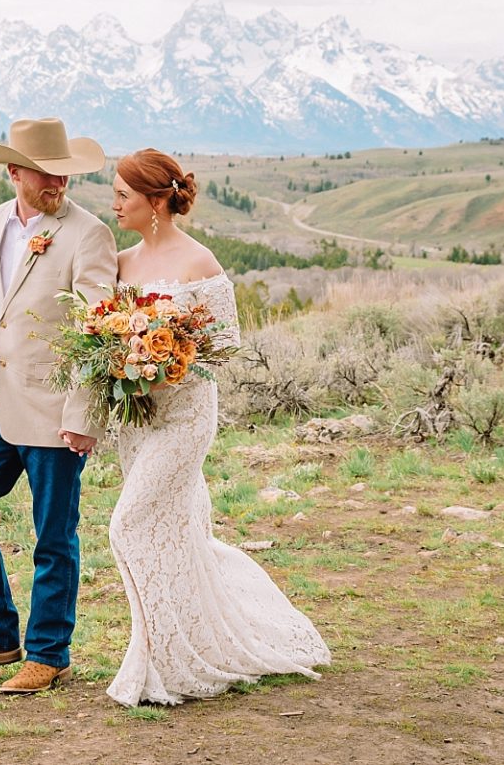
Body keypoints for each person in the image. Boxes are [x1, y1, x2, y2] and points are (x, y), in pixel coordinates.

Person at [105, 148, 330, 706]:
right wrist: (122, 361)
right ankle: (177, 646)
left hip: (184, 417)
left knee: (127, 526)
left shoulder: (200, 264)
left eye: (123, 195)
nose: (114, 203)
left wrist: (168, 363)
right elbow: (104, 334)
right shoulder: (120, 264)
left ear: (157, 202)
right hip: (139, 420)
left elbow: (224, 346)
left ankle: (164, 660)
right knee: (175, 532)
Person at [0, 118, 118, 694]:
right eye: (45, 172)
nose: (57, 181)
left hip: (58, 410)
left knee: (52, 534)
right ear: (15, 173)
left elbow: (98, 331)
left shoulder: (88, 234)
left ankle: (49, 653)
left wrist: (83, 414)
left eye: (63, 172)